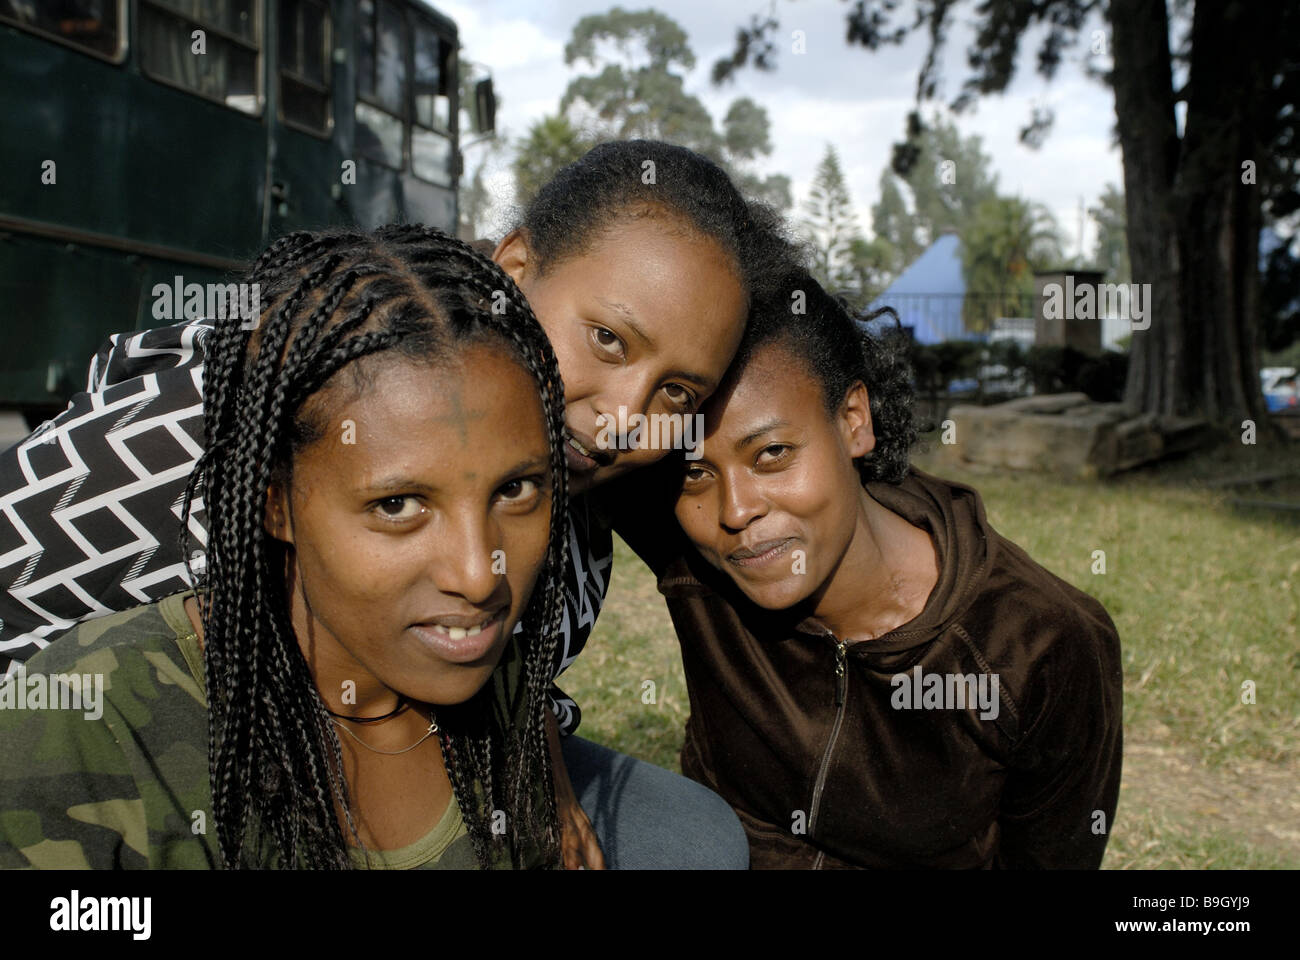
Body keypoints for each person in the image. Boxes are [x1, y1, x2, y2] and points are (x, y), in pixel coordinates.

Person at [0, 140, 795, 868]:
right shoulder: (227, 432)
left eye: (677, 390)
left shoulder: (588, 491)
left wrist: (538, 766)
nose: (622, 416)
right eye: (610, 340)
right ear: (515, 270)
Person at [0, 226, 572, 869]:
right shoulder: (95, 720)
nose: (478, 573)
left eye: (517, 489)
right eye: (397, 505)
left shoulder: (500, 680)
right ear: (276, 501)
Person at [616, 271, 1124, 868]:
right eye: (695, 473)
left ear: (854, 419)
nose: (735, 511)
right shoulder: (688, 545)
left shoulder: (1039, 643)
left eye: (773, 454)